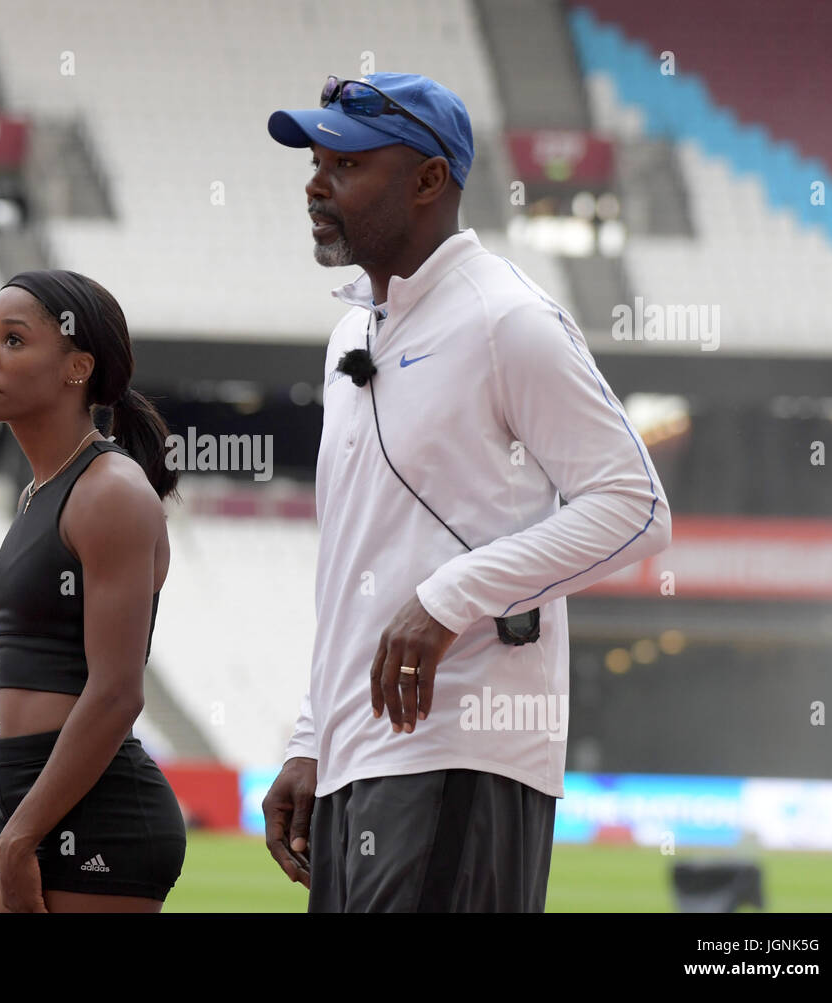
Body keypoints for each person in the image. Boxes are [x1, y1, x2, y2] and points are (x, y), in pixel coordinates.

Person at [261, 73, 672, 911]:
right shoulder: (352, 332)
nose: (314, 183)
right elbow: (357, 560)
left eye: (345, 163)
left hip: (463, 751)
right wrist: (314, 736)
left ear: (426, 179)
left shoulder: (506, 318)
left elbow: (634, 507)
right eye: (314, 160)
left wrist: (449, 596)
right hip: (359, 758)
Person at [0, 269, 187, 913]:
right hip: (23, 802)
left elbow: (116, 692)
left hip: (96, 817)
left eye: (14, 341)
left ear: (77, 368)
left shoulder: (110, 493)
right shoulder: (41, 491)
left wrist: (20, 837)